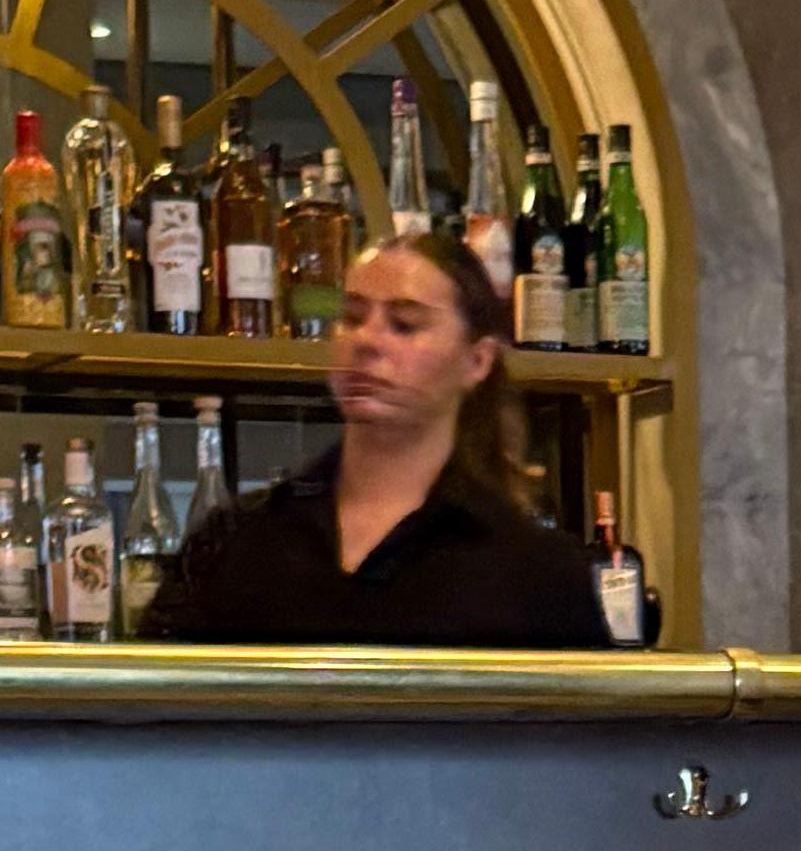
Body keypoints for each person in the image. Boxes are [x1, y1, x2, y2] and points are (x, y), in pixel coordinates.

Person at [146, 211, 608, 646]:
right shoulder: (235, 540)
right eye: (352, 317)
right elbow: (147, 698)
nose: (366, 340)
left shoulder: (538, 571)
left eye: (404, 324)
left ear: (477, 361)